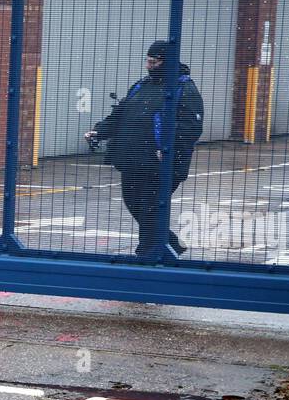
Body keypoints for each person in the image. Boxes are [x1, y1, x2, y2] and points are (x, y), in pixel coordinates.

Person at [85, 40, 204, 259]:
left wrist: (169, 147)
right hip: (133, 159)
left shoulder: (184, 89)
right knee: (134, 203)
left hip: (163, 163)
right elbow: (120, 114)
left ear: (166, 62)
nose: (149, 66)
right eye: (147, 61)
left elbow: (191, 126)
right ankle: (169, 244)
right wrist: (99, 131)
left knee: (150, 206)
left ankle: (147, 254)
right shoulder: (141, 86)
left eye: (154, 62)